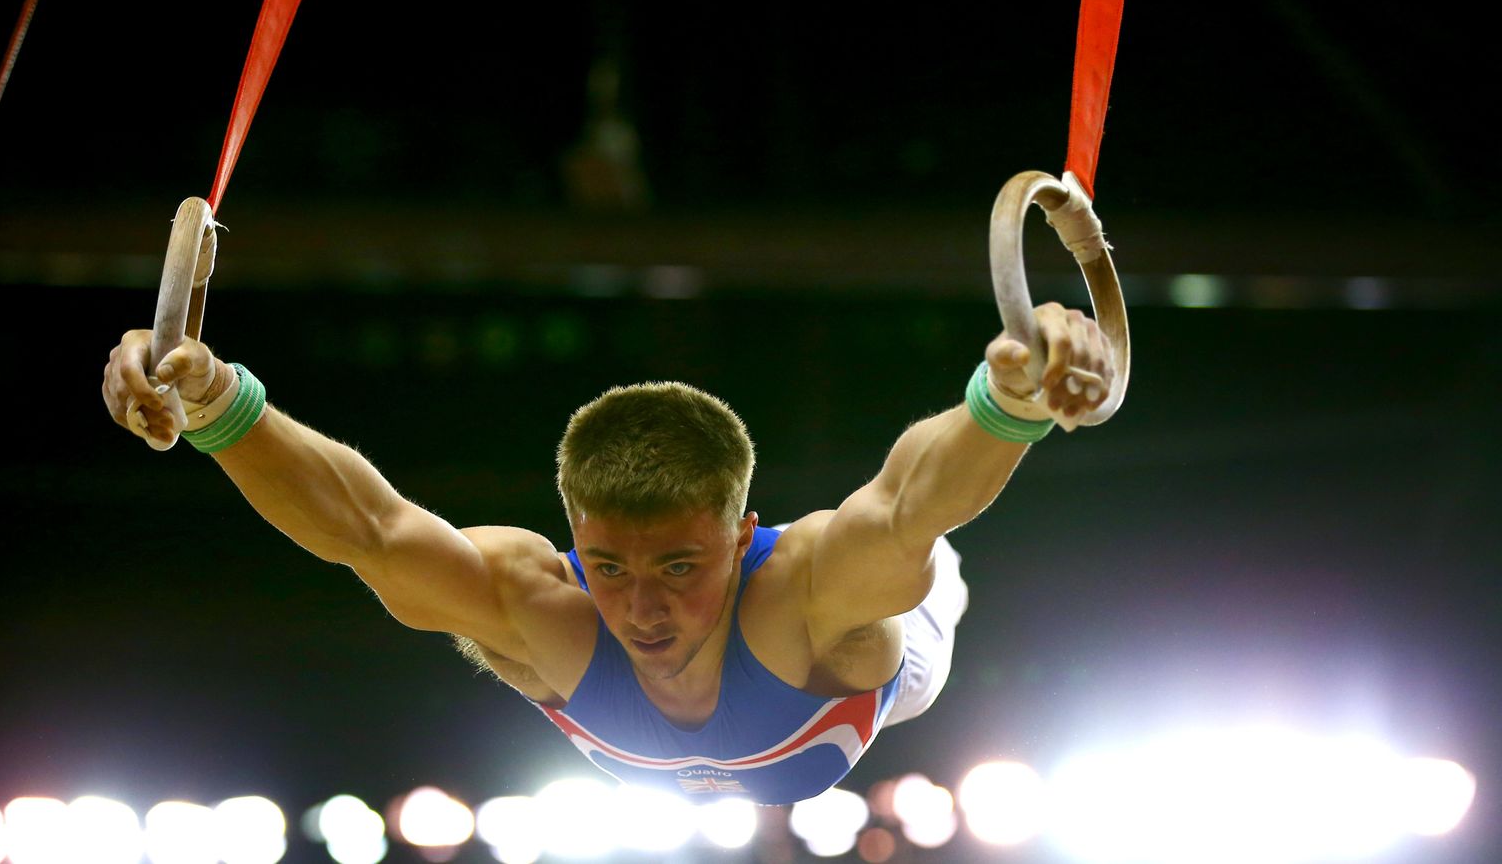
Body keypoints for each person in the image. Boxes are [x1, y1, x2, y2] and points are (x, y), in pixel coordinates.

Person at [101, 301, 1114, 804]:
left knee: (906, 554)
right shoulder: (540, 606)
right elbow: (368, 527)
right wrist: (216, 404)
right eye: (610, 566)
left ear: (740, 535)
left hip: (880, 662)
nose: (641, 609)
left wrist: (1010, 401)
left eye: (679, 566)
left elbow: (903, 509)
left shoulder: (801, 591)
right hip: (769, 692)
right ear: (574, 538)